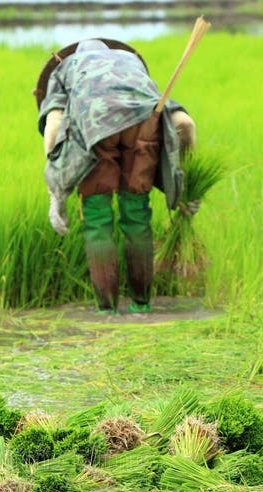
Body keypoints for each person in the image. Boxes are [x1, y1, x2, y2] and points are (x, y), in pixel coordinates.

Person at [38, 39, 196, 314]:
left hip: (96, 125)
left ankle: (107, 311)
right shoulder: (131, 64)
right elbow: (185, 125)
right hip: (145, 123)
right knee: (136, 214)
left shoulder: (67, 67)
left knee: (98, 219)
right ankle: (142, 305)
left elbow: (53, 128)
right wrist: (187, 188)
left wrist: (56, 194)